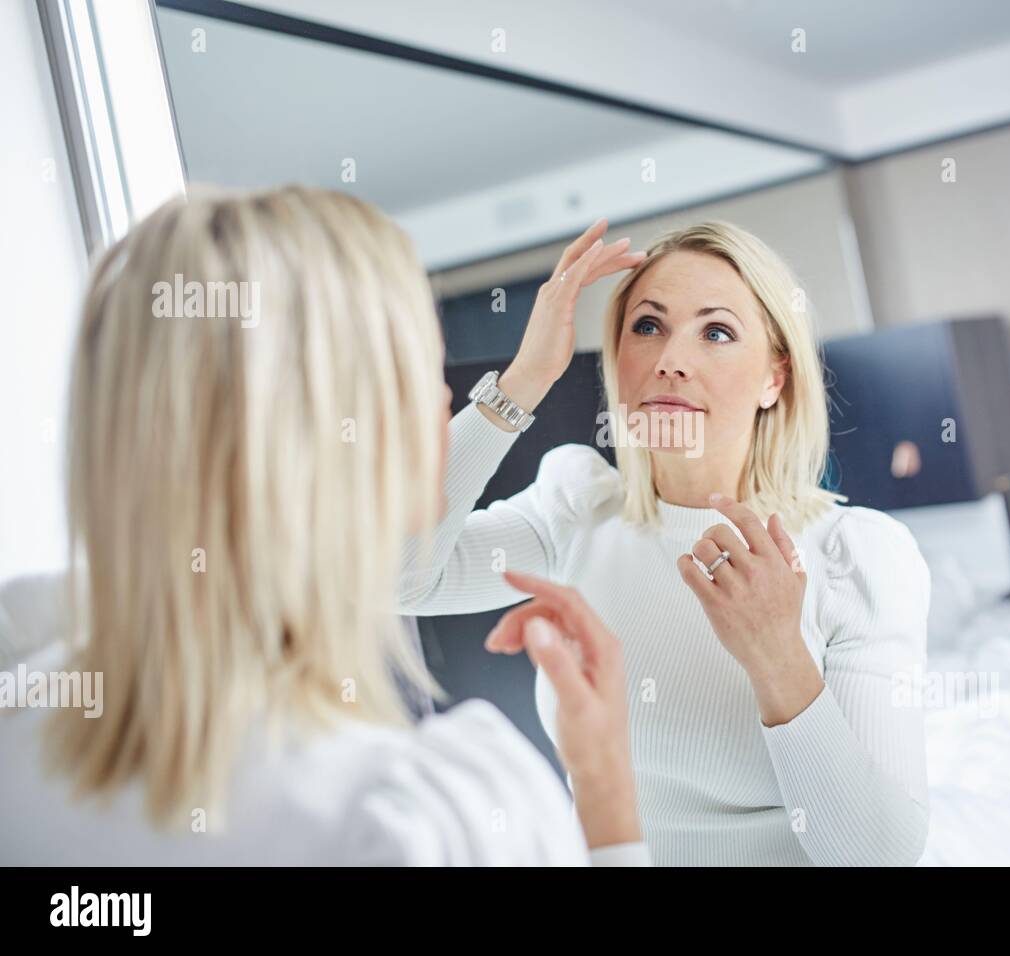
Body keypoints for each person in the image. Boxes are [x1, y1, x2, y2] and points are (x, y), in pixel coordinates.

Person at [0, 187, 648, 865]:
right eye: (419, 370)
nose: (445, 398)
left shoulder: (23, 729)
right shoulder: (418, 820)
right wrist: (604, 791)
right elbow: (406, 570)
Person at [399, 219, 933, 866]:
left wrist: (777, 658)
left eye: (716, 332)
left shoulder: (859, 557)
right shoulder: (574, 508)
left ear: (774, 377)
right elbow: (399, 578)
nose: (669, 360)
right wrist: (526, 376)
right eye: (647, 327)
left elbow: (879, 858)